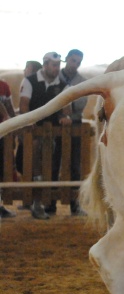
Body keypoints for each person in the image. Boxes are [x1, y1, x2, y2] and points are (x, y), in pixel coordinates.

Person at [19, 52, 73, 220]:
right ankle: (34, 201)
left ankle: (39, 203)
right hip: (32, 134)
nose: (57, 69)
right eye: (54, 65)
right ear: (45, 64)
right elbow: (23, 105)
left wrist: (66, 117)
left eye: (58, 65)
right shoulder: (30, 81)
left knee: (47, 167)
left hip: (51, 135)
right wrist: (28, 120)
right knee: (27, 165)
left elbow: (66, 107)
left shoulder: (63, 85)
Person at [55, 49, 88, 216]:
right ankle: (50, 204)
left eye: (78, 62)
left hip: (74, 123)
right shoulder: (56, 78)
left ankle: (75, 204)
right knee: (53, 161)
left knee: (75, 164)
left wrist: (64, 107)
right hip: (55, 124)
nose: (75, 64)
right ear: (67, 59)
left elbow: (81, 104)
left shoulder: (82, 81)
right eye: (73, 60)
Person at [0, 76, 16, 218]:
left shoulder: (3, 85)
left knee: (1, 169)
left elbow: (9, 106)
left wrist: (14, 122)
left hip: (2, 134)